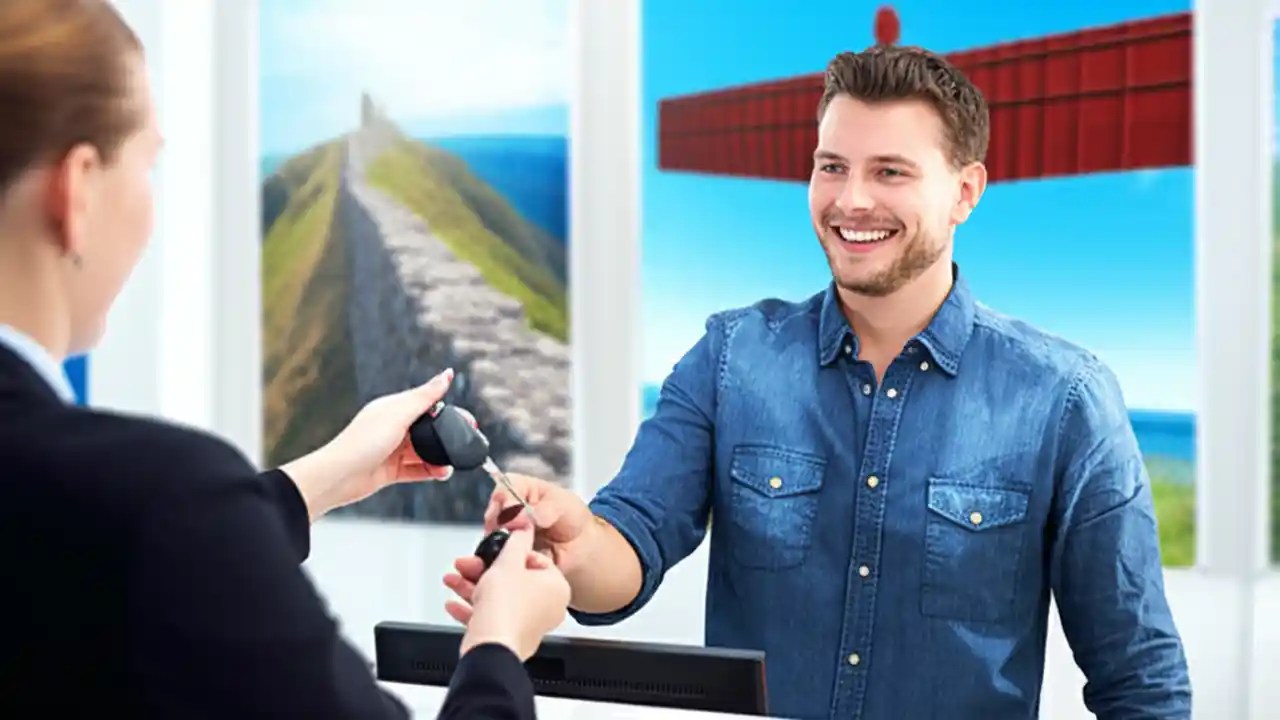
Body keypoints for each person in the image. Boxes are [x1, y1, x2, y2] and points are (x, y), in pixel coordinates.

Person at [445, 44, 1193, 719]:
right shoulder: (731, 357)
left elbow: (1141, 682)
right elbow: (628, 549)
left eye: (890, 172)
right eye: (831, 166)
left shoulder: (1064, 400)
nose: (850, 200)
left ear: (966, 191)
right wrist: (576, 546)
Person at [0, 2, 567, 718]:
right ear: (75, 189)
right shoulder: (159, 503)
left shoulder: (130, 513)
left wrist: (324, 477)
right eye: (147, 163)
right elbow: (148, 533)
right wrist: (497, 644)